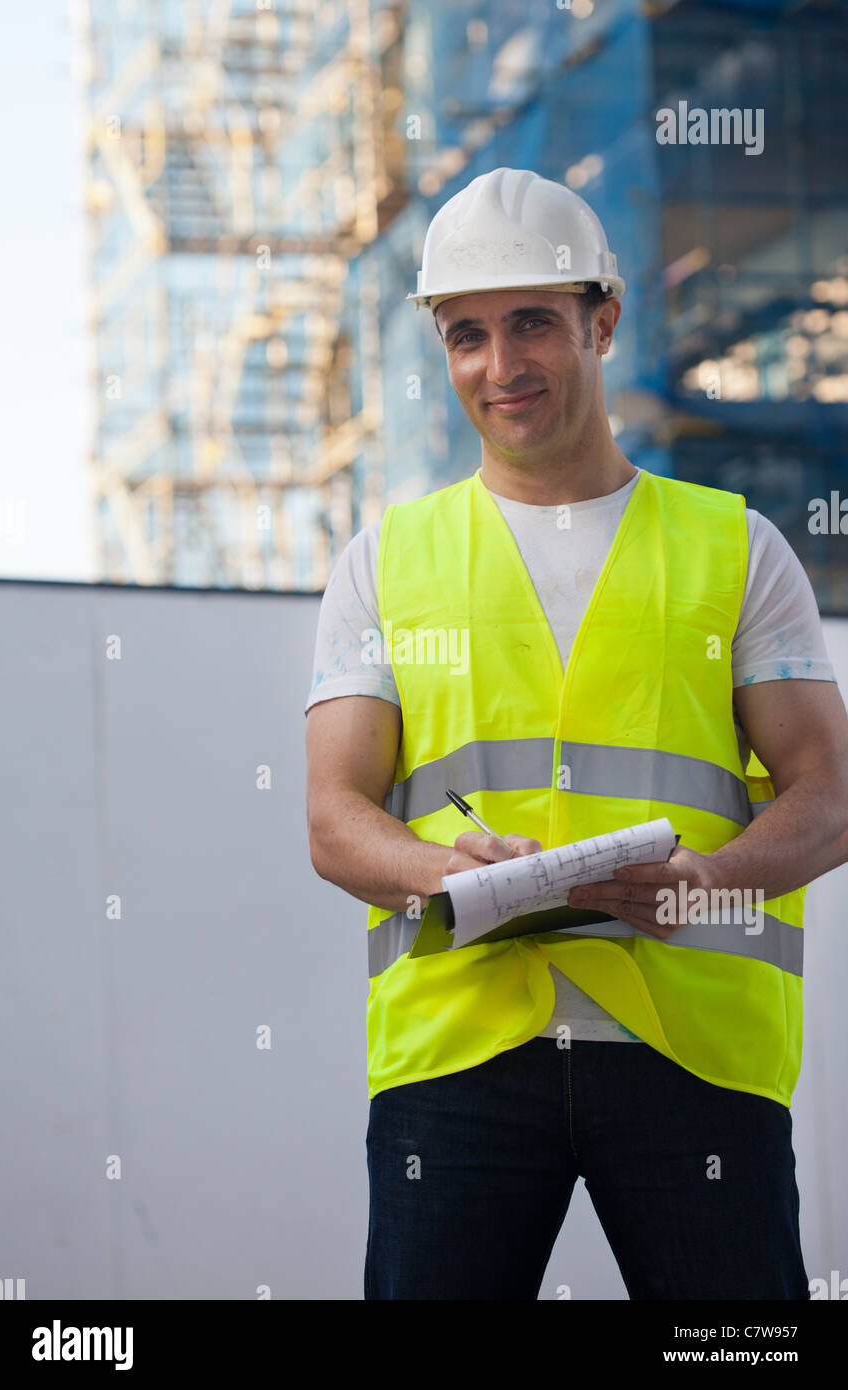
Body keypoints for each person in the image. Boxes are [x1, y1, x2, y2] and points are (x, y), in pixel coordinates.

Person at [304, 168, 848, 1300]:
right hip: (458, 1056)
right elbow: (334, 817)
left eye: (534, 324)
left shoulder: (732, 549)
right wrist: (439, 872)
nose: (501, 367)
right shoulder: (383, 563)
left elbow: (826, 793)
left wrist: (708, 878)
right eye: (467, 335)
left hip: (693, 1051)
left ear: (602, 319)